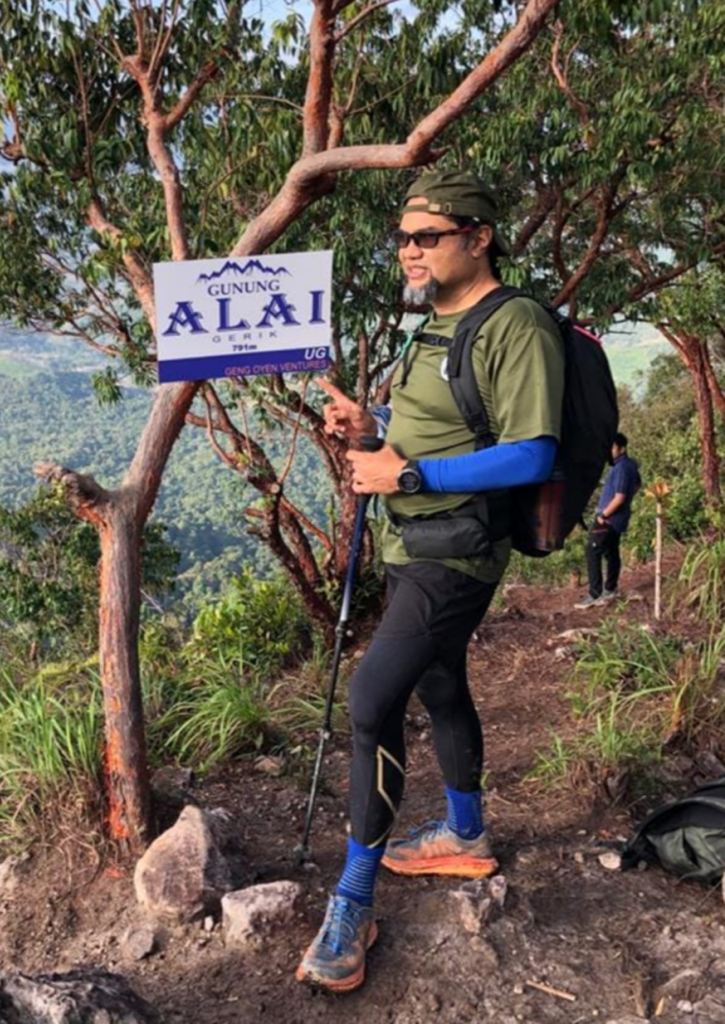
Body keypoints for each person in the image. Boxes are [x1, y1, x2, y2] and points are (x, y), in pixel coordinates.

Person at [295, 170, 565, 993]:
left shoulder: (516, 324)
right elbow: (437, 423)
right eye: (404, 238)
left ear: (479, 238)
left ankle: (353, 901)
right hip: (415, 539)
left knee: (371, 699)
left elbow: (533, 452)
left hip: (458, 548)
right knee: (441, 681)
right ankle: (466, 834)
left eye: (428, 236)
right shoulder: (435, 323)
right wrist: (371, 425)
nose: (410, 251)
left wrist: (409, 476)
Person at [574, 433, 641, 609]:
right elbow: (637, 485)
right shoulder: (630, 465)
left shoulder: (621, 468)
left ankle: (594, 594)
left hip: (609, 518)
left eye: (611, 447)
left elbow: (619, 497)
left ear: (622, 448)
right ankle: (610, 589)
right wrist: (626, 502)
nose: (608, 451)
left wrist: (604, 515)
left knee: (592, 550)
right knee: (611, 552)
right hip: (618, 518)